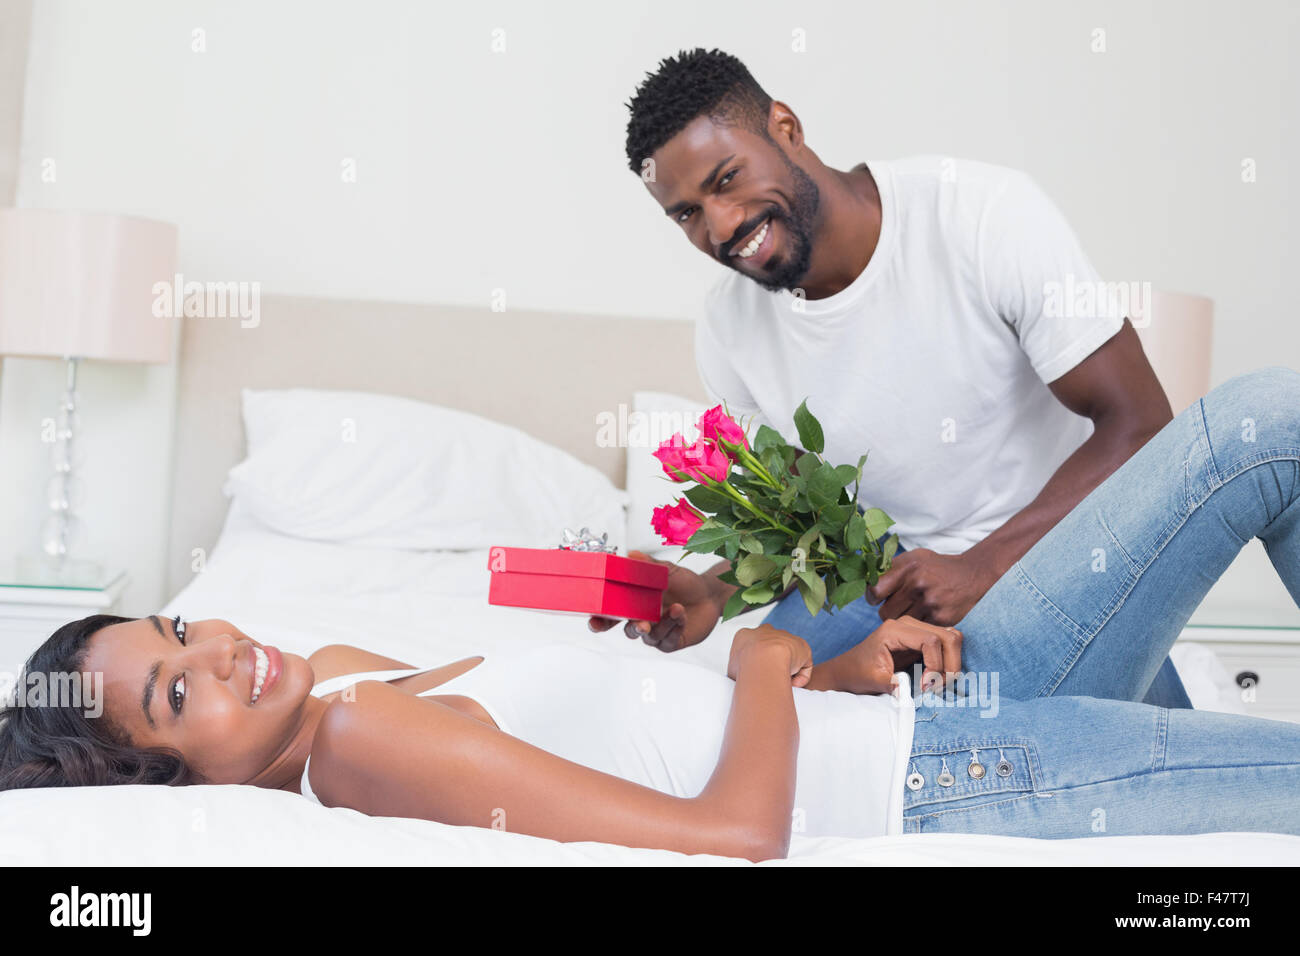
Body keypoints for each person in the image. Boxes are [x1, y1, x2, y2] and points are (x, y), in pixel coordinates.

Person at [2, 369, 1298, 859]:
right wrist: (776, 651)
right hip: (953, 777)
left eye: (181, 635)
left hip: (920, 697)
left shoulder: (336, 678)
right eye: (182, 696)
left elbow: (648, 727)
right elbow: (729, 837)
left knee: (1254, 428)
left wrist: (829, 678)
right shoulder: (355, 748)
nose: (221, 648)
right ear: (178, 785)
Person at [617, 48, 1192, 709]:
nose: (719, 227)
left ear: (785, 127)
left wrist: (982, 566)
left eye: (725, 180)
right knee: (766, 710)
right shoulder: (728, 327)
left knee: (1139, 768)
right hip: (890, 588)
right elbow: (808, 522)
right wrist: (715, 591)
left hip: (1051, 559)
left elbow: (1141, 423)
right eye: (686, 213)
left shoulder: (982, 216)